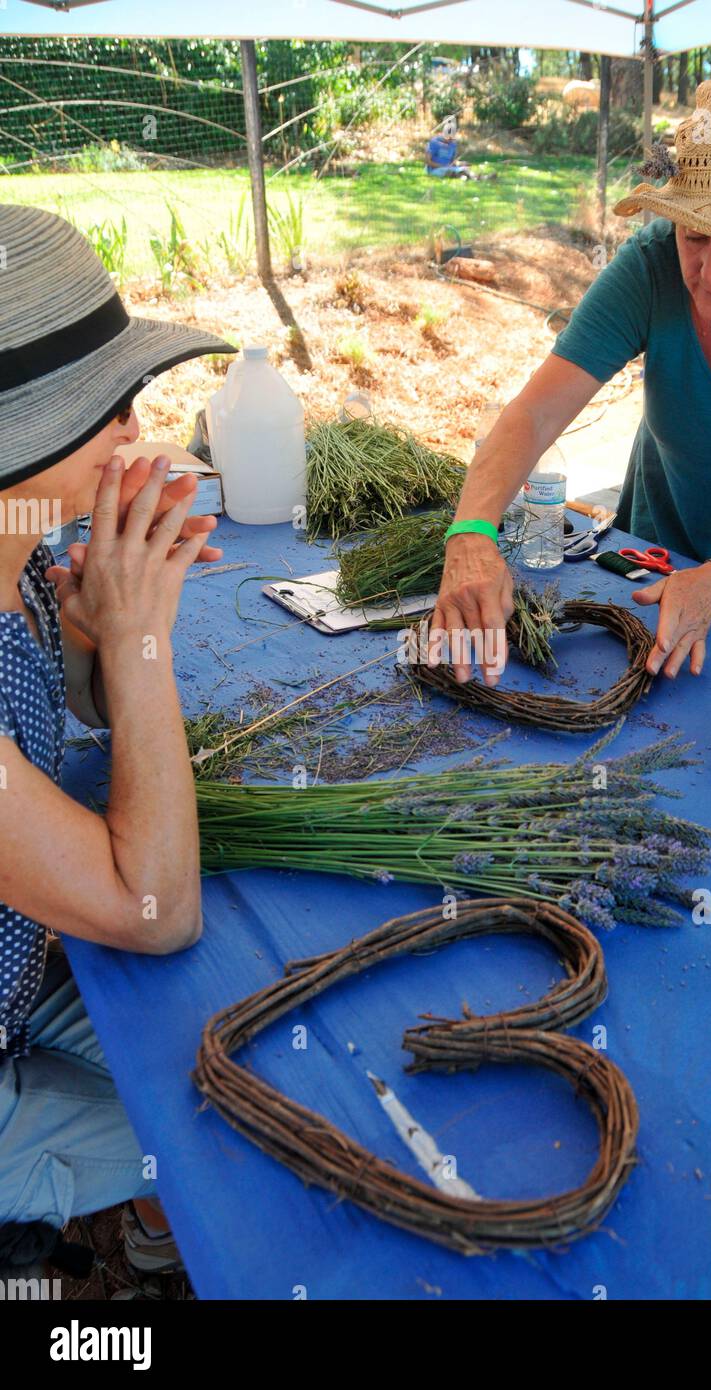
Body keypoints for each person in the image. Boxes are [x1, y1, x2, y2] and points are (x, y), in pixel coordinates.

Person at [431, 72, 711, 687]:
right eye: (695, 235)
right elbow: (535, 414)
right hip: (665, 542)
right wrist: (470, 533)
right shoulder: (650, 264)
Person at [0, 205, 236, 1275]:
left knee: (256, 1047)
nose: (138, 433)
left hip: (21, 976)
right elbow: (155, 910)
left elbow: (70, 713)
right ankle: (136, 1233)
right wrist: (142, 642)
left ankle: (142, 1224)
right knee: (238, 1137)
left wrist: (98, 632)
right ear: (27, 443)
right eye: (115, 409)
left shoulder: (19, 563)